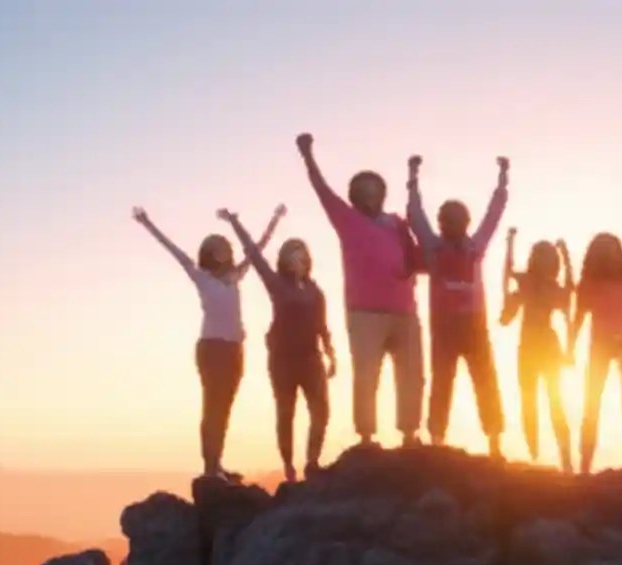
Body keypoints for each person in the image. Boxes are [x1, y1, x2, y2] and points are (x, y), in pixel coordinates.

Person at [133, 204, 283, 479]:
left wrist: (273, 218)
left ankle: (217, 463)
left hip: (235, 350)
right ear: (209, 254)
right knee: (212, 406)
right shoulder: (201, 277)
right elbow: (174, 251)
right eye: (217, 248)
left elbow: (256, 249)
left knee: (224, 408)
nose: (223, 251)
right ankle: (210, 468)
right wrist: (147, 223)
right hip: (212, 349)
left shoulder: (235, 276)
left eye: (225, 247)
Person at [296, 132, 423, 449]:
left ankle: (410, 433)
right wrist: (307, 154)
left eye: (374, 190)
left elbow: (416, 257)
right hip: (365, 312)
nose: (369, 196)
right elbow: (321, 189)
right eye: (362, 191)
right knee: (367, 375)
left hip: (405, 310)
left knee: (411, 374)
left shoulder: (397, 224)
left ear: (382, 193)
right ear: (353, 196)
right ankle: (366, 437)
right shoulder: (347, 219)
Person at [217, 207, 337, 483]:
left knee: (321, 409)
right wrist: (235, 222)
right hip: (283, 360)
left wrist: (331, 354)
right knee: (286, 412)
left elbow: (322, 325)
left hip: (311, 358)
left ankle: (312, 462)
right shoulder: (276, 284)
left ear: (307, 260)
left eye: (301, 255)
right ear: (284, 260)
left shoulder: (315, 291)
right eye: (292, 255)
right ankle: (289, 468)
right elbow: (254, 254)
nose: (298, 259)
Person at [406, 155, 509, 456]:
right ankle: (437, 438)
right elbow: (415, 215)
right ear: (441, 223)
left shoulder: (475, 247)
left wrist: (503, 178)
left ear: (466, 222)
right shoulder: (432, 247)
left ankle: (494, 440)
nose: (450, 224)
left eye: (456, 219)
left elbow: (493, 215)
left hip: (474, 325)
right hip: (444, 327)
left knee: (485, 380)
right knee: (442, 381)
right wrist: (412, 176)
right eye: (446, 220)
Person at [571, 202, 622, 474]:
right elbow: (578, 318)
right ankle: (585, 464)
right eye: (603, 251)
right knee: (592, 404)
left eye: (611, 250)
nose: (608, 255)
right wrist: (569, 349)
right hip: (601, 347)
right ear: (593, 256)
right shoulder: (588, 284)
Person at [500, 228, 575, 473]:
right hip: (536, 347)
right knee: (536, 400)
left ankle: (558, 454)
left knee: (548, 401)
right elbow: (508, 275)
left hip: (540, 346)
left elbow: (569, 295)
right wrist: (510, 244)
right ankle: (539, 452)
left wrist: (566, 255)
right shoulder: (533, 284)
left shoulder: (536, 285)